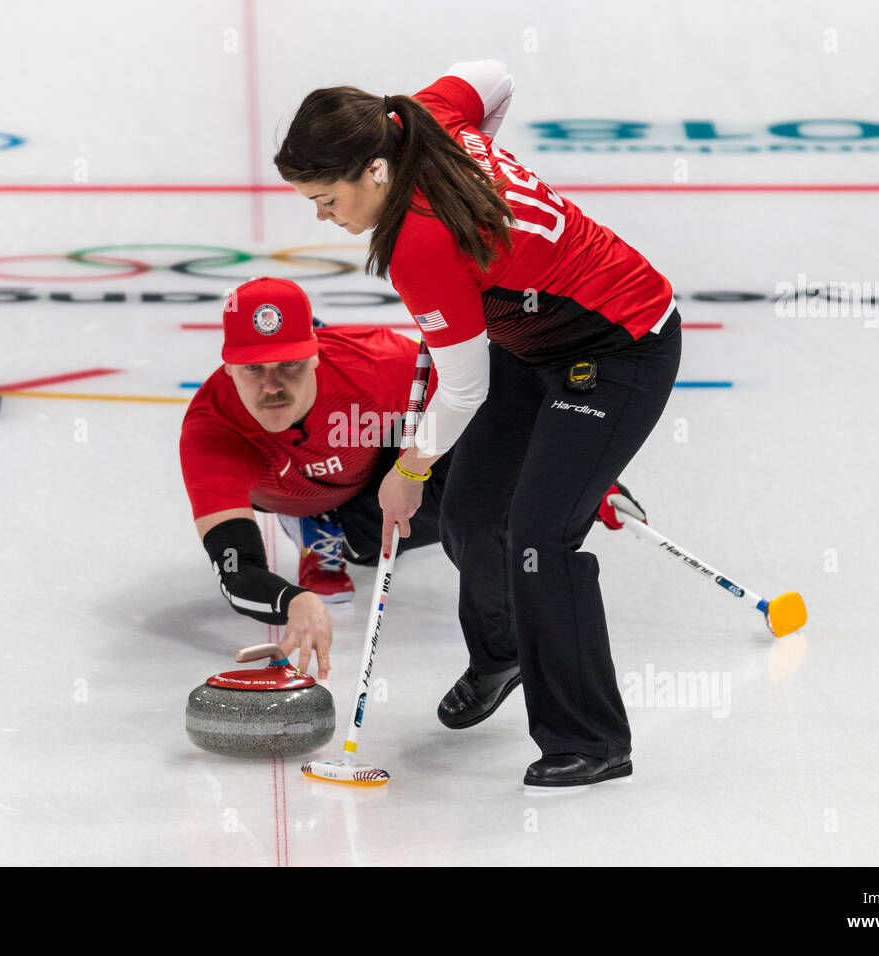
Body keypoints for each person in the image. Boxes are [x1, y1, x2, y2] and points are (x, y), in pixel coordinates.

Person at [275, 60, 681, 787]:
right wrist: (477, 182)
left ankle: (590, 739)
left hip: (621, 346)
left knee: (539, 539)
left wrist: (406, 471)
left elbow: (461, 390)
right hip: (532, 342)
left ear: (374, 170)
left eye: (326, 199)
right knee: (468, 513)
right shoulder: (417, 118)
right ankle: (504, 653)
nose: (322, 218)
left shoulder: (422, 243)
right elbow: (491, 74)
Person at [179, 276, 451, 678]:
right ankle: (313, 516)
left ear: (315, 355)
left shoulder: (380, 363)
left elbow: (471, 402)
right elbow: (237, 570)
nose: (272, 386)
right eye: (253, 368)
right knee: (372, 544)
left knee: (463, 503)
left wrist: (414, 468)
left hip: (376, 466)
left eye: (289, 363)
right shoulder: (213, 430)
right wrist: (293, 601)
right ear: (229, 367)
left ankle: (340, 525)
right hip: (284, 485)